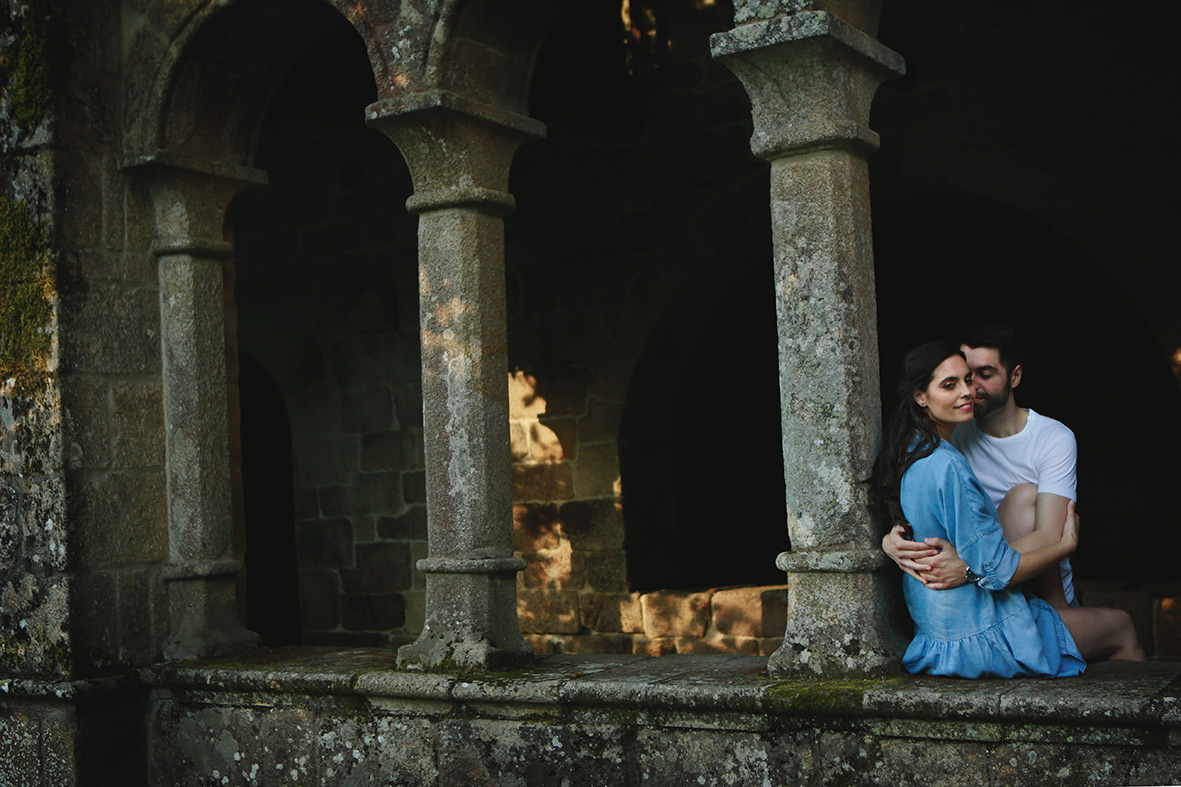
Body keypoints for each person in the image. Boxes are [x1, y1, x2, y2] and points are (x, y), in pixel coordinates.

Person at [869, 341, 1143, 677]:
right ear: (920, 396)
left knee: (1024, 498)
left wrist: (891, 541)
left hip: (936, 634)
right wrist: (1065, 546)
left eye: (968, 380)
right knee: (1122, 626)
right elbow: (999, 571)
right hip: (981, 638)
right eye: (949, 385)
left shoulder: (911, 448)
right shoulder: (948, 464)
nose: (967, 392)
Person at [883, 326, 1074, 608]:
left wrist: (969, 569)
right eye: (959, 380)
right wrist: (890, 540)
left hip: (1020, 574)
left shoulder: (1053, 437)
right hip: (980, 587)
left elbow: (1050, 533)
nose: (970, 390)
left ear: (1015, 376)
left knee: (1024, 497)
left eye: (981, 376)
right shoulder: (950, 431)